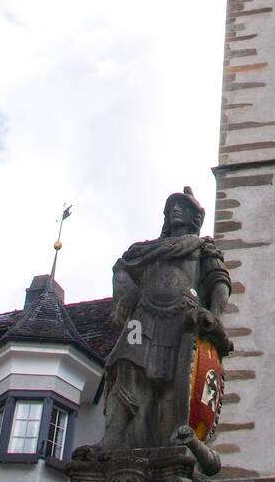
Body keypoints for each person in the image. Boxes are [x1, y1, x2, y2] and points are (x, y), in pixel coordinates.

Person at [99, 187, 231, 450]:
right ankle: (112, 440)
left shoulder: (202, 247)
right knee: (126, 368)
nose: (175, 210)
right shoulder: (146, 250)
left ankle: (174, 440)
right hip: (143, 317)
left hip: (182, 319)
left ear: (195, 216)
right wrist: (122, 298)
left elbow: (220, 283)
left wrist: (214, 316)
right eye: (172, 206)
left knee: (177, 381)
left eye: (182, 206)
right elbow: (123, 269)